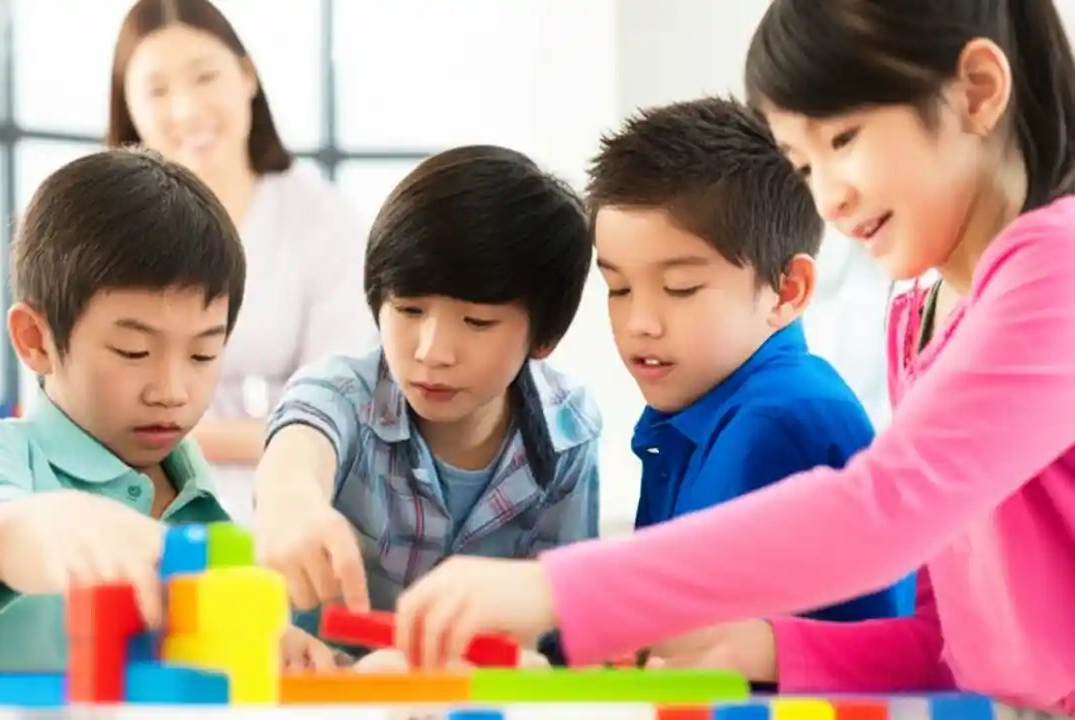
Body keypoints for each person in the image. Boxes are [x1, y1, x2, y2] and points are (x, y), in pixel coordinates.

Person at [387, 1, 1075, 714]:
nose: (829, 198)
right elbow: (951, 650)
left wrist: (554, 587)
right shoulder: (921, 315)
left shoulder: (1060, 268)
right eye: (802, 163)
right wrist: (766, 647)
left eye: (843, 140)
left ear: (977, 92)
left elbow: (884, 509)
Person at [0, 149, 334, 693]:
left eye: (204, 355)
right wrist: (52, 524)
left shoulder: (212, 520)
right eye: (133, 351)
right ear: (35, 340)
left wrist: (277, 655)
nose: (172, 391)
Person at [252, 145, 601, 662]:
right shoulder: (344, 392)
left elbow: (566, 626)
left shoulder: (567, 430)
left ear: (543, 337)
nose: (431, 352)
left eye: (477, 323)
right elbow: (299, 446)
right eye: (409, 309)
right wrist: (291, 504)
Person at [588, 96, 912, 623]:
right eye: (617, 287)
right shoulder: (698, 409)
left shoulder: (777, 422)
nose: (639, 321)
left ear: (788, 290)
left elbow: (708, 653)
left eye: (680, 287)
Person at [108, 0, 376, 525]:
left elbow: (343, 411)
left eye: (205, 76)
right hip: (131, 514)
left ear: (247, 74)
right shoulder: (107, 229)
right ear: (128, 108)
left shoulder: (322, 220)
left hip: (290, 513)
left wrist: (171, 436)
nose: (185, 110)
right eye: (157, 91)